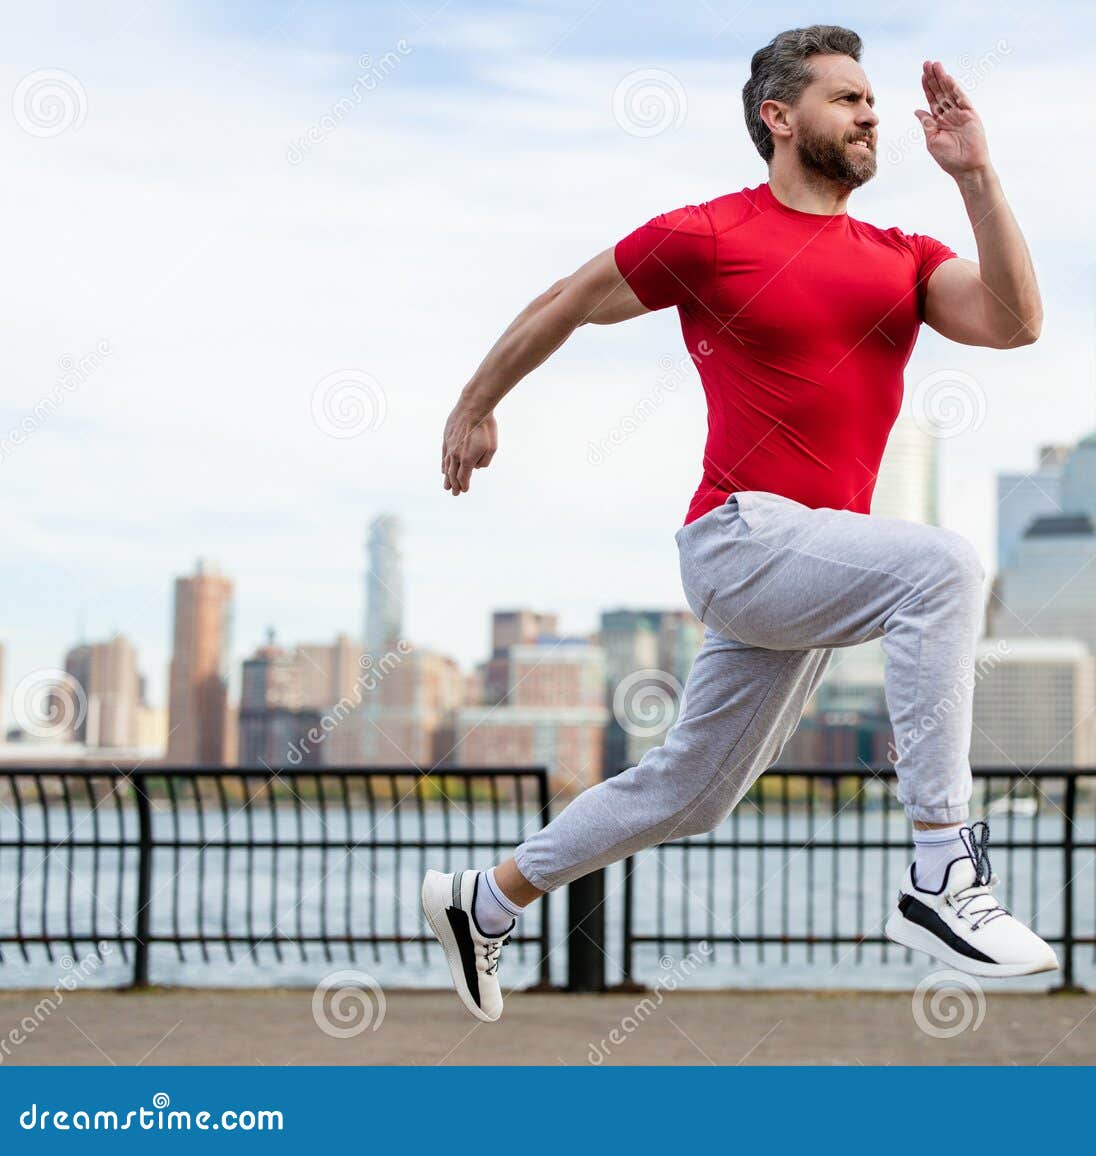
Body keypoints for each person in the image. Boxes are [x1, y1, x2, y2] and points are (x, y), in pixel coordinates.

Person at [422, 24, 1054, 1023]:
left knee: (694, 789)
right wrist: (475, 402)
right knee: (942, 568)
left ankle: (489, 895)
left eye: (870, 99)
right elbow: (567, 299)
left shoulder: (904, 256)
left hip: (802, 563)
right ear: (778, 116)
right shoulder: (710, 235)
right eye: (845, 97)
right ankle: (942, 868)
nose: (871, 111)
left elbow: (1015, 323)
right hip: (738, 535)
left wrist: (976, 178)